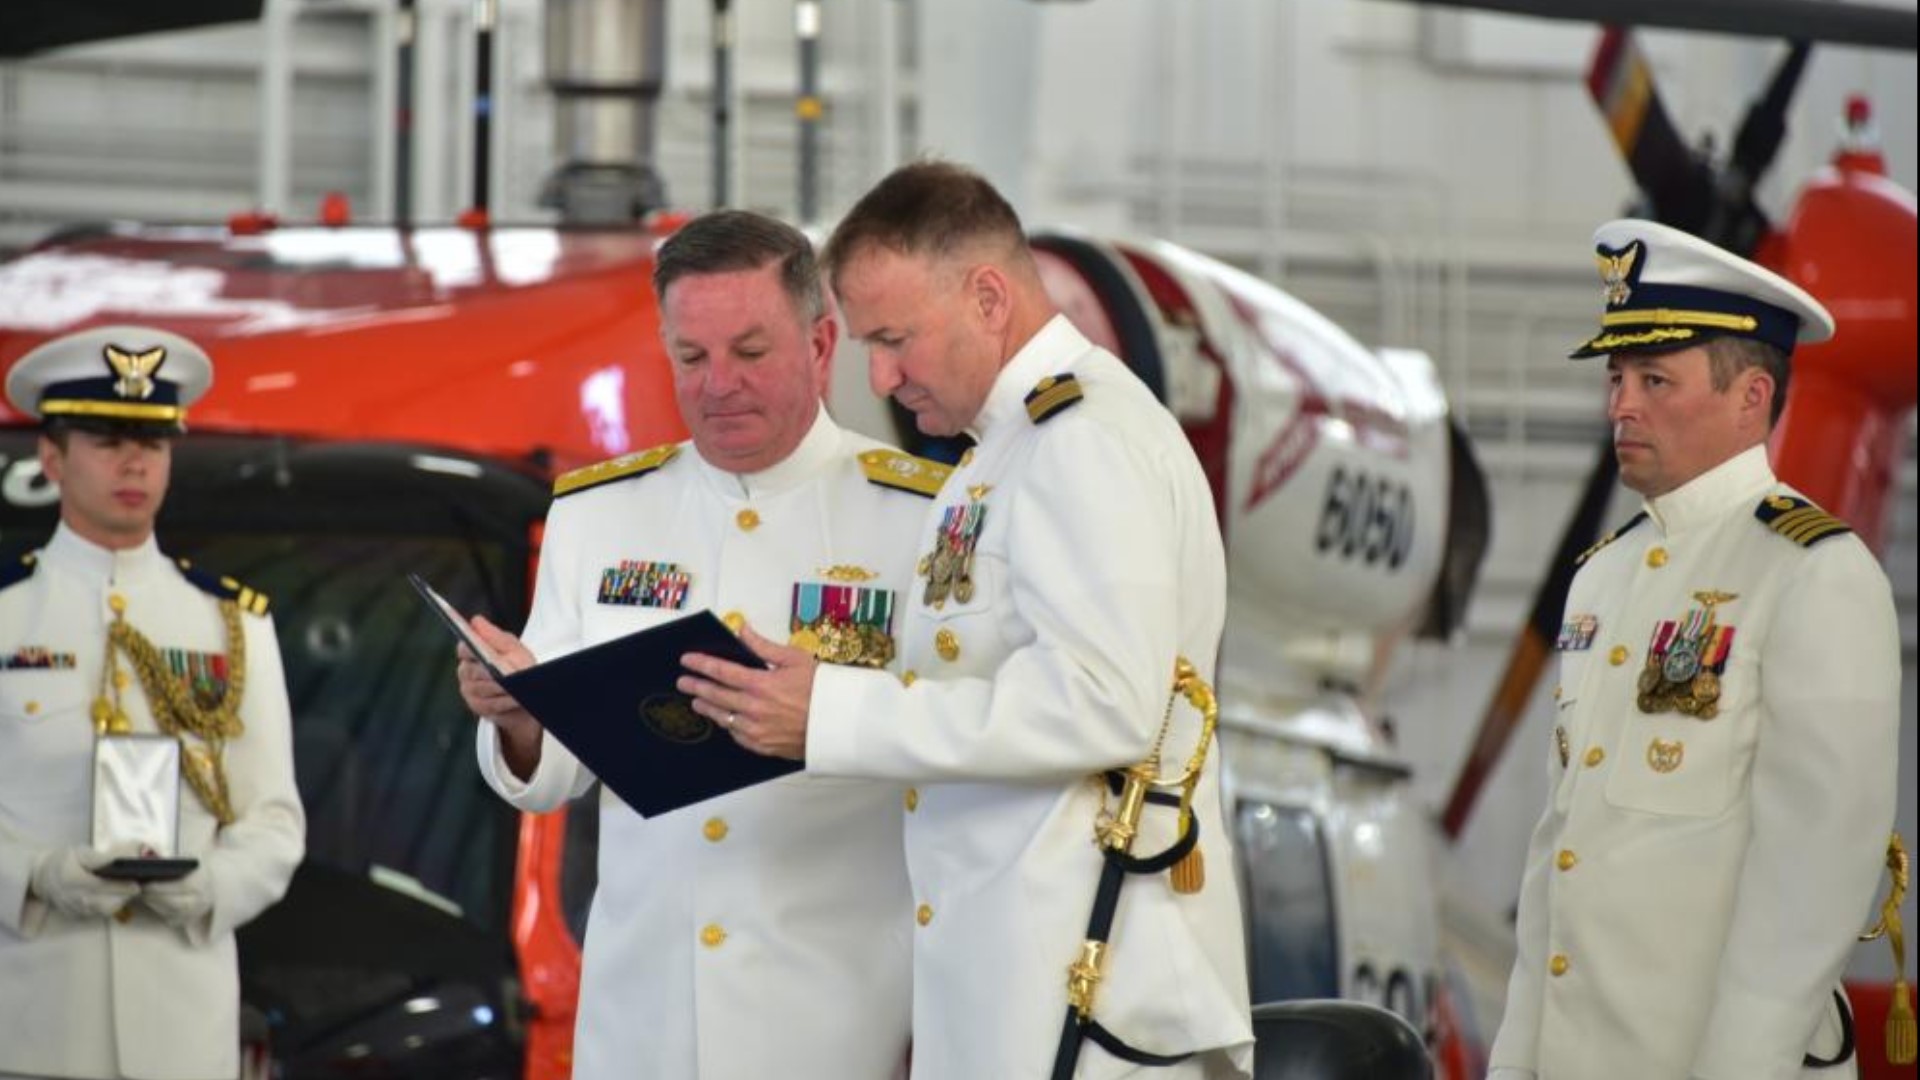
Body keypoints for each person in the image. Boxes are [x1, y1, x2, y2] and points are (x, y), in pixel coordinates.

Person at [679, 162, 1253, 1079]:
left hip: (1088, 1014)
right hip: (1022, 1000)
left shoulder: (1082, 442)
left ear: (988, 296)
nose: (882, 375)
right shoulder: (1006, 451)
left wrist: (833, 714)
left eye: (896, 338)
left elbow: (1102, 703)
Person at [455, 209, 938, 1079]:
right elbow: (555, 770)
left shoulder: (917, 521)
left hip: (838, 1027)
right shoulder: (601, 512)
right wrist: (519, 715)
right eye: (691, 357)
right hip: (643, 1025)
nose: (719, 384)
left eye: (751, 354)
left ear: (822, 345)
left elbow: (960, 746)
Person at [1486, 219, 1901, 1080]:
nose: (1619, 405)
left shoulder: (1814, 572)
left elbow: (1813, 877)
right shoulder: (1603, 578)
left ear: (1751, 396)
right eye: (1615, 377)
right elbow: (1558, 852)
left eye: (1653, 379)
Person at [0, 326, 305, 1080]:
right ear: (50, 457)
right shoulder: (8, 616)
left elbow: (273, 820)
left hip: (182, 1030)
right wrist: (36, 877)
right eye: (106, 440)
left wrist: (211, 888)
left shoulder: (232, 622)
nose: (134, 461)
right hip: (33, 1020)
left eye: (154, 442)